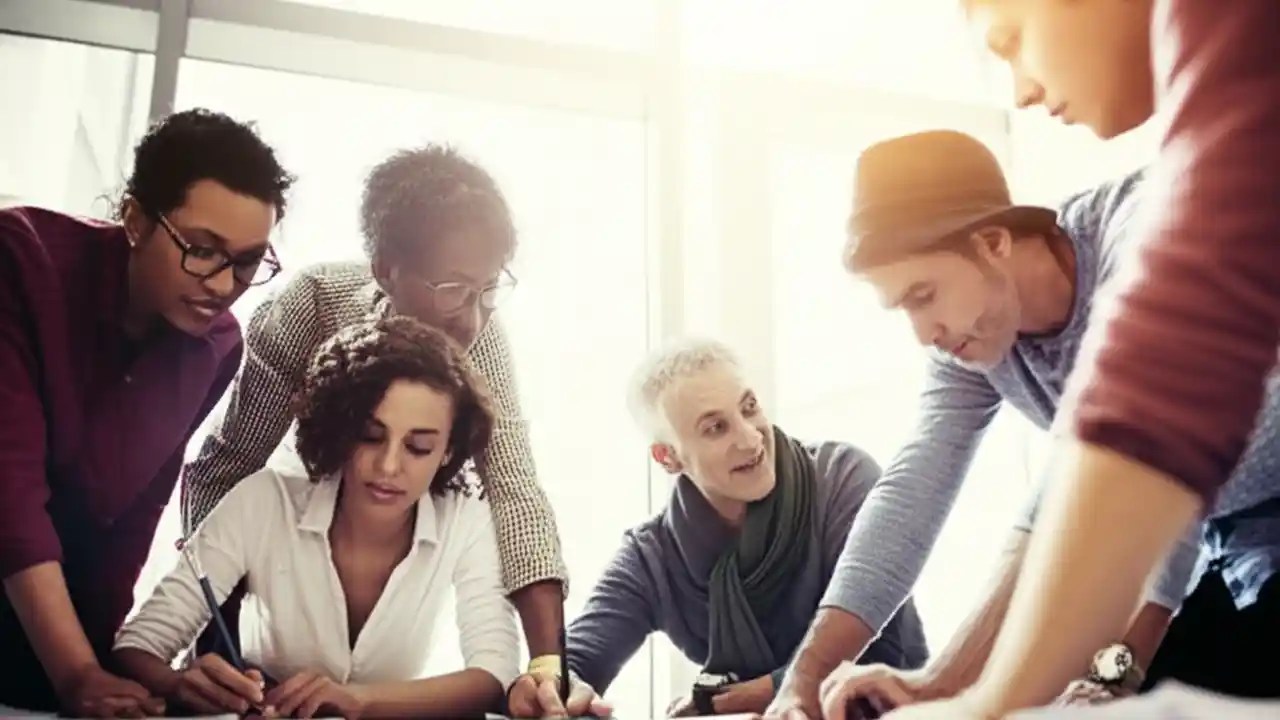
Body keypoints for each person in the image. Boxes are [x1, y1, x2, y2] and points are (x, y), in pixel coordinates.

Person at [763, 128, 1270, 720]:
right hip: (1237, 549)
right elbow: (913, 490)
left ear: (994, 241)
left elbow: (1145, 456)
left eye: (923, 294)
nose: (924, 333)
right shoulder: (974, 337)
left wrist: (1124, 660)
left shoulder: (1146, 240)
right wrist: (809, 676)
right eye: (903, 307)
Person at [884, 2, 1280, 718]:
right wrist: (963, 690)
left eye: (1012, 42)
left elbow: (1162, 405)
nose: (1023, 91)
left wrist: (985, 701)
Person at [181, 144, 570, 682]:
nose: (471, 318)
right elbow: (231, 466)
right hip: (288, 558)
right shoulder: (315, 301)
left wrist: (549, 668)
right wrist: (215, 651)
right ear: (387, 269)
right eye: (453, 290)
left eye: (487, 290)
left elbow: (515, 489)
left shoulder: (478, 338)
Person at [0, 108, 292, 716]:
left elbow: (135, 511)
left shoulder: (217, 346)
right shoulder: (20, 259)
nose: (222, 284)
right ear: (134, 218)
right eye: (203, 250)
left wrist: (112, 667)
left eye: (246, 262)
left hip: (51, 636)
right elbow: (9, 492)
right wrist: (79, 670)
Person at [115, 317, 519, 718]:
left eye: (419, 447)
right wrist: (179, 685)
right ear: (340, 428)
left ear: (448, 450)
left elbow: (494, 672)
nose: (389, 465)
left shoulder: (465, 516)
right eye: (370, 436)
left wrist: (360, 701)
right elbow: (138, 645)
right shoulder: (265, 500)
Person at [509, 338, 928, 718]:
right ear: (668, 457)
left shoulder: (842, 479)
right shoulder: (652, 556)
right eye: (715, 428)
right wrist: (556, 690)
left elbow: (883, 647)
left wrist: (741, 697)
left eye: (749, 408)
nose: (750, 439)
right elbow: (577, 662)